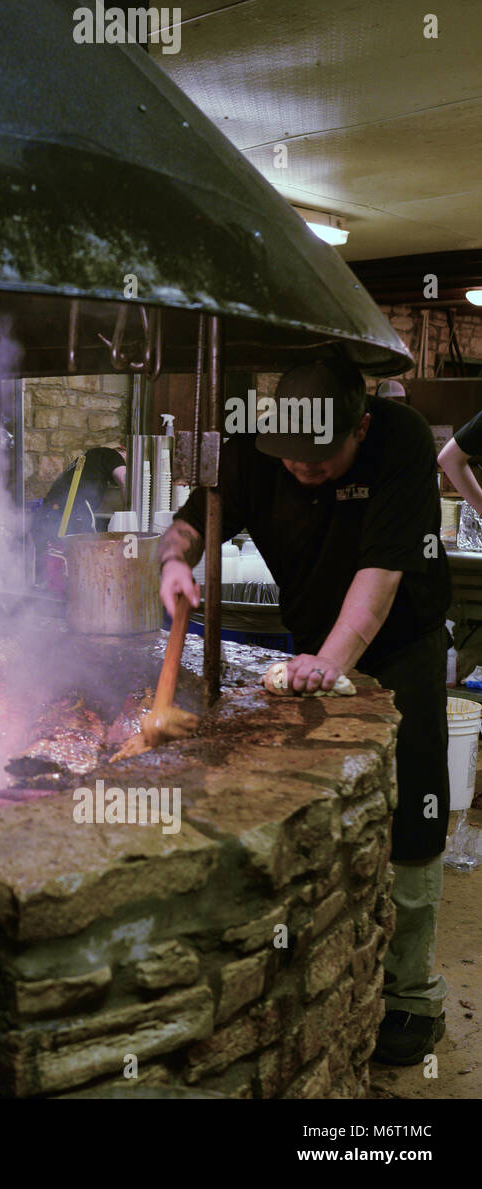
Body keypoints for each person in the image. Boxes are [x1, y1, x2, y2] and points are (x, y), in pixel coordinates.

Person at [156, 359, 451, 1066]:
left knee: (412, 804)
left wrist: (332, 660)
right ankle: (325, 960)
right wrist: (172, 562)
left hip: (400, 640)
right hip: (311, 637)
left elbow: (378, 584)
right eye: (290, 458)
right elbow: (189, 527)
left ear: (361, 426)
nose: (302, 471)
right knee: (316, 799)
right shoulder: (258, 451)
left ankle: (410, 989)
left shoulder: (401, 441)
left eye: (321, 461)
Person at [28, 446, 126, 584]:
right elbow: (124, 479)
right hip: (73, 510)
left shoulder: (90, 460)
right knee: (89, 553)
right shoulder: (112, 454)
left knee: (54, 565)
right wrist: (131, 512)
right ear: (123, 451)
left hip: (49, 512)